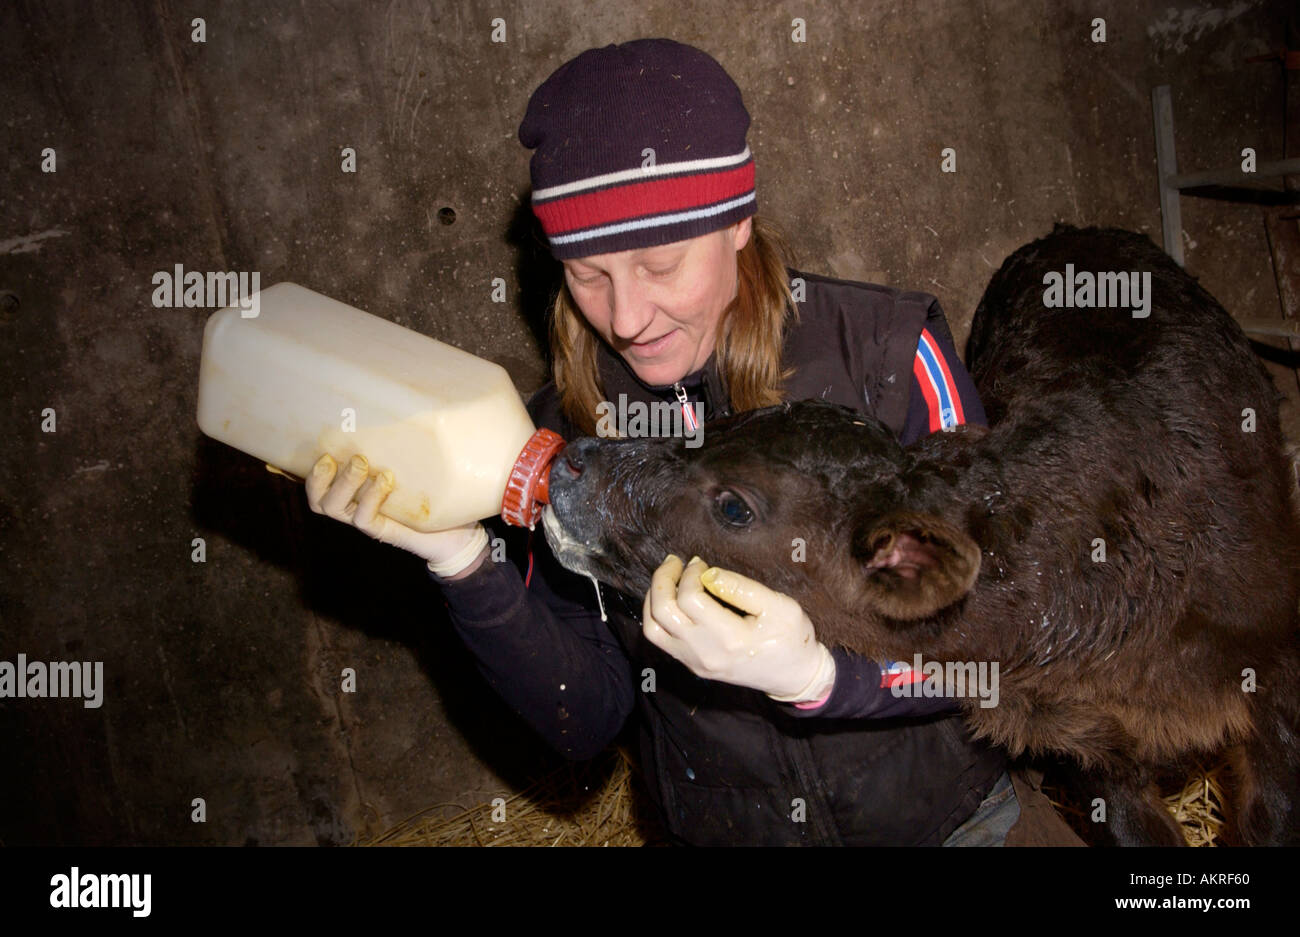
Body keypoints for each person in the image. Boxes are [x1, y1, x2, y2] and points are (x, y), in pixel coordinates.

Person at [308, 38, 1027, 845]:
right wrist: (465, 564)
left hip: (947, 825)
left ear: (737, 221)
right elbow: (585, 717)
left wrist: (823, 679)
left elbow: (1004, 641)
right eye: (586, 273)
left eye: (661, 263)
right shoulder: (558, 438)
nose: (625, 318)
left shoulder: (888, 355)